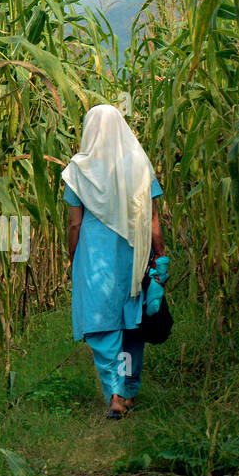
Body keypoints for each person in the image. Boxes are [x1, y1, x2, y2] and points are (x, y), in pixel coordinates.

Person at [62, 104, 165, 419]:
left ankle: (116, 394)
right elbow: (154, 219)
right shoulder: (139, 165)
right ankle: (129, 391)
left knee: (103, 325)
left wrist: (72, 258)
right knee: (130, 322)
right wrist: (159, 254)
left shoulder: (79, 169)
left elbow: (74, 224)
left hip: (94, 255)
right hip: (133, 253)